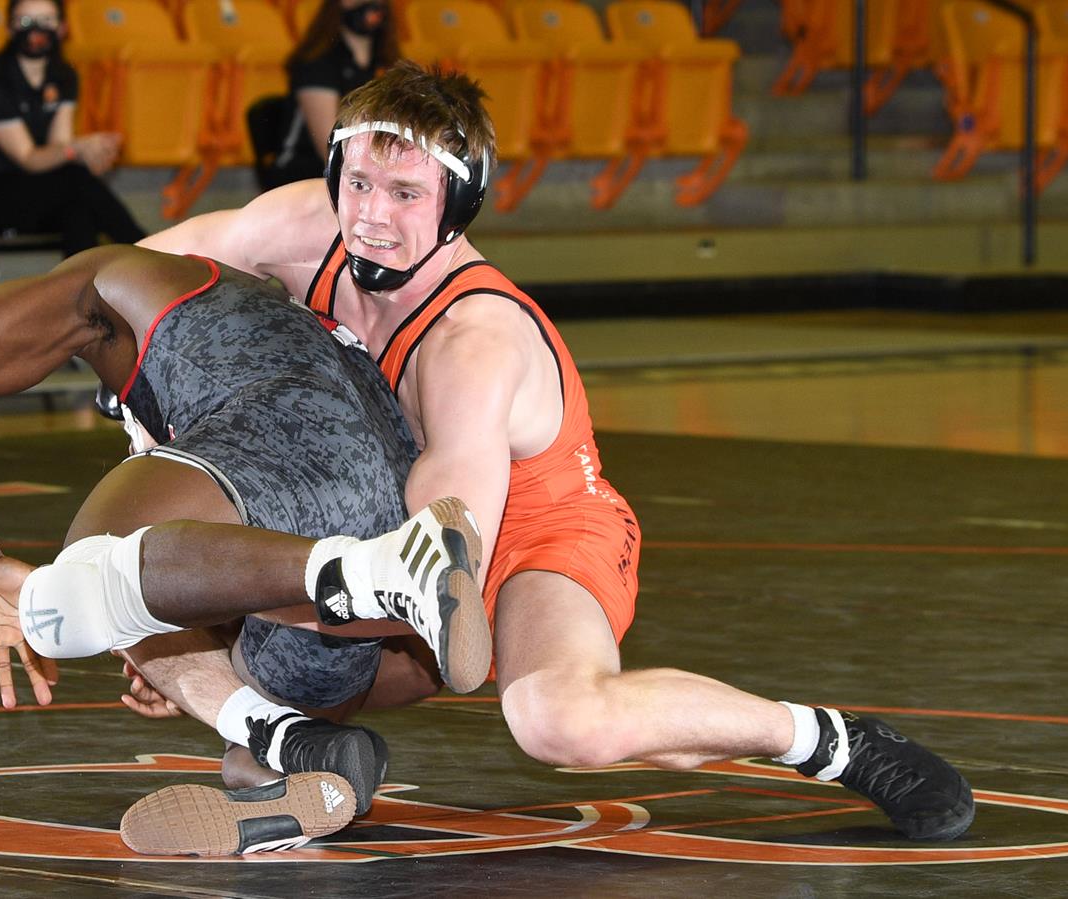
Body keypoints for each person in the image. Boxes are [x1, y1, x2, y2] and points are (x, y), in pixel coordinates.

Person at [118, 61, 977, 847]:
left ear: (456, 206)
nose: (372, 215)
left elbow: (437, 562)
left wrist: (227, 616)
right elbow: (125, 277)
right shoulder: (306, 222)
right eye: (360, 182)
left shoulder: (473, 341)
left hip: (531, 526)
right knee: (203, 671)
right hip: (380, 509)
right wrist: (138, 399)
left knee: (564, 718)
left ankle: (829, 741)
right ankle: (284, 734)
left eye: (406, 194)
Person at [0, 243, 494, 854]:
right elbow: (418, 673)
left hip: (293, 423)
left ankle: (370, 576)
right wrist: (178, 646)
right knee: (237, 739)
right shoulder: (290, 338)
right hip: (386, 510)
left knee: (65, 598)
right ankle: (294, 746)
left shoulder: (110, 281)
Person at [0, 0, 146, 255]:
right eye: (25, 21)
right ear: (9, 28)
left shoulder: (63, 75)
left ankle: (89, 279)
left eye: (46, 21)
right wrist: (78, 149)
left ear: (62, 28)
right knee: (75, 183)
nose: (35, 30)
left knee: (78, 206)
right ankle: (149, 252)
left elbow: (58, 147)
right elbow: (29, 159)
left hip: (40, 189)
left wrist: (92, 151)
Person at [252, 0, 398, 190]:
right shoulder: (317, 63)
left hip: (356, 175)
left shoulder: (388, 65)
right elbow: (331, 149)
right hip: (303, 178)